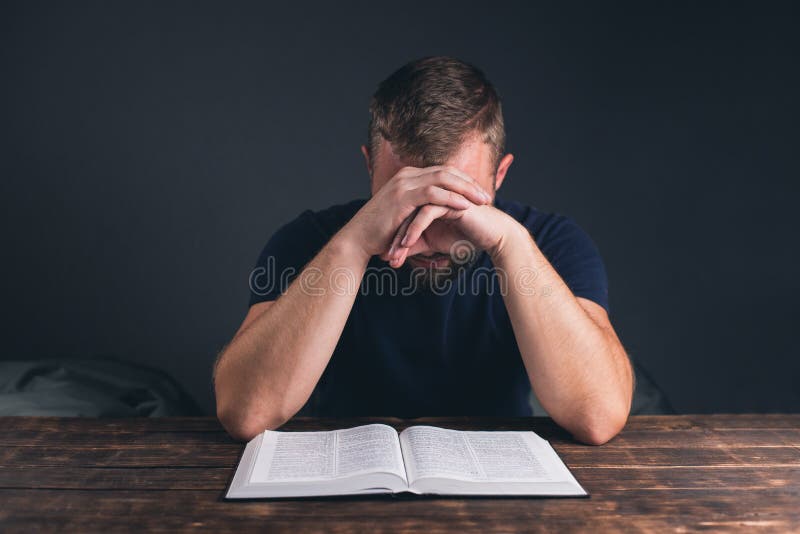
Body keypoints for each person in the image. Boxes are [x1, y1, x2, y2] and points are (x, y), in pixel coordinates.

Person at [213, 56, 634, 445]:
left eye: (454, 204)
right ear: (370, 170)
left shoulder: (550, 242)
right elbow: (246, 413)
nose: (425, 235)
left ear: (499, 175)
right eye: (407, 201)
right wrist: (353, 244)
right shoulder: (311, 240)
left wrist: (510, 244)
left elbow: (597, 417)